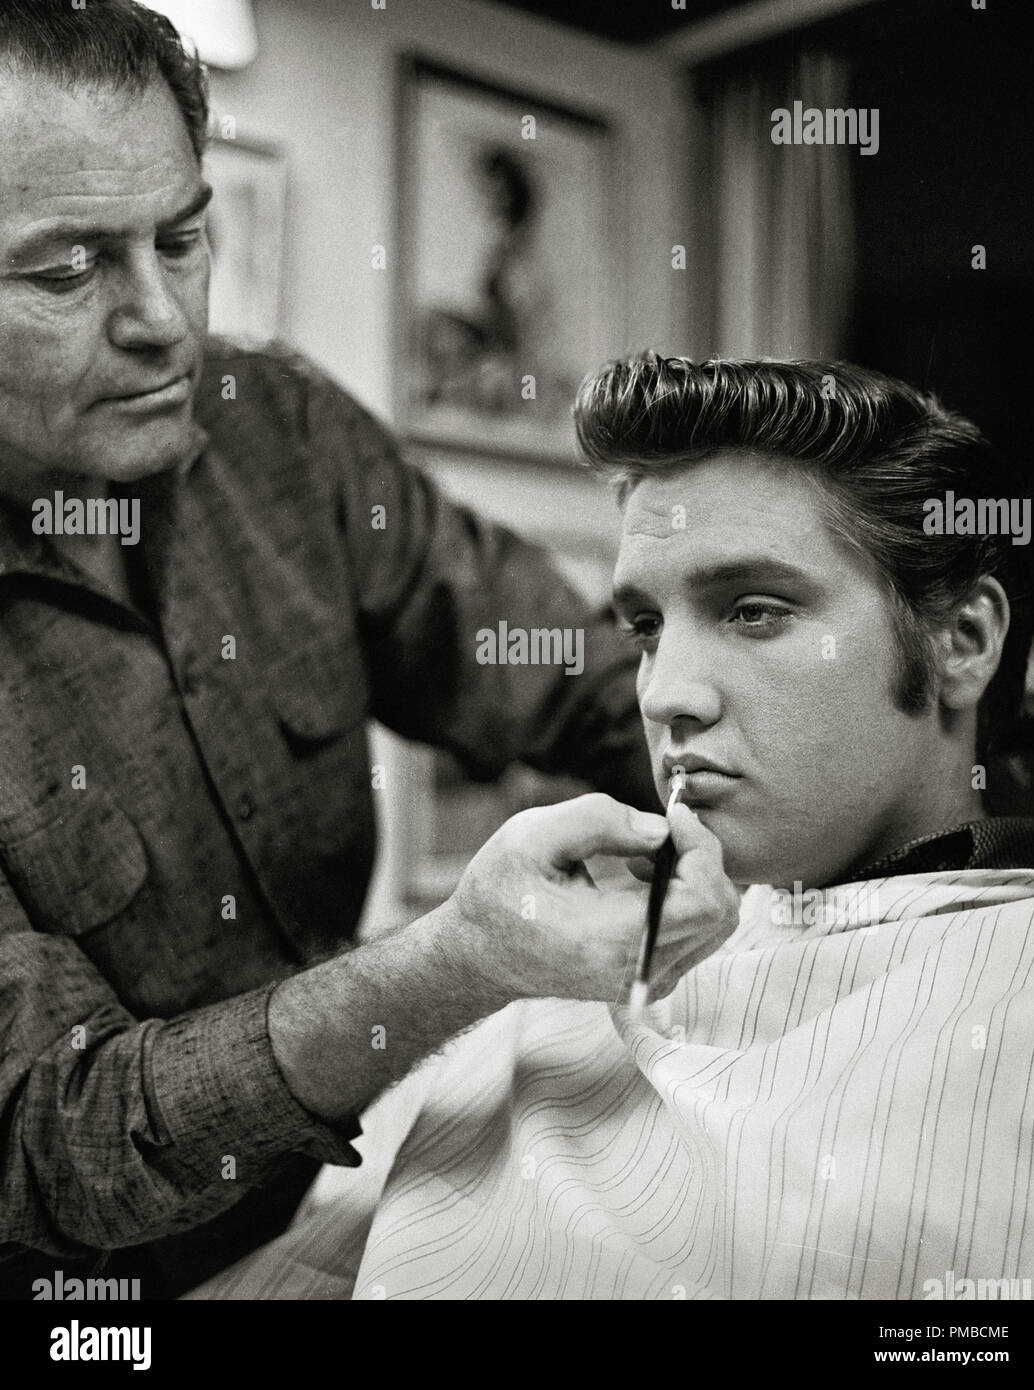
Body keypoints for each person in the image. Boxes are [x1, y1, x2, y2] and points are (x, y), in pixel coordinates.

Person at [0, 3, 732, 1300]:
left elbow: (575, 672)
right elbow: (57, 1134)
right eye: (66, 270)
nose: (165, 320)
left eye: (182, 234)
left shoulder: (275, 429)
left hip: (344, 1187)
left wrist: (774, 798)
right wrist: (452, 963)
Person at [192, 354, 1034, 1300]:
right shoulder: (528, 986)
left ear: (962, 641)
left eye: (754, 612)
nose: (664, 695)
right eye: (646, 627)